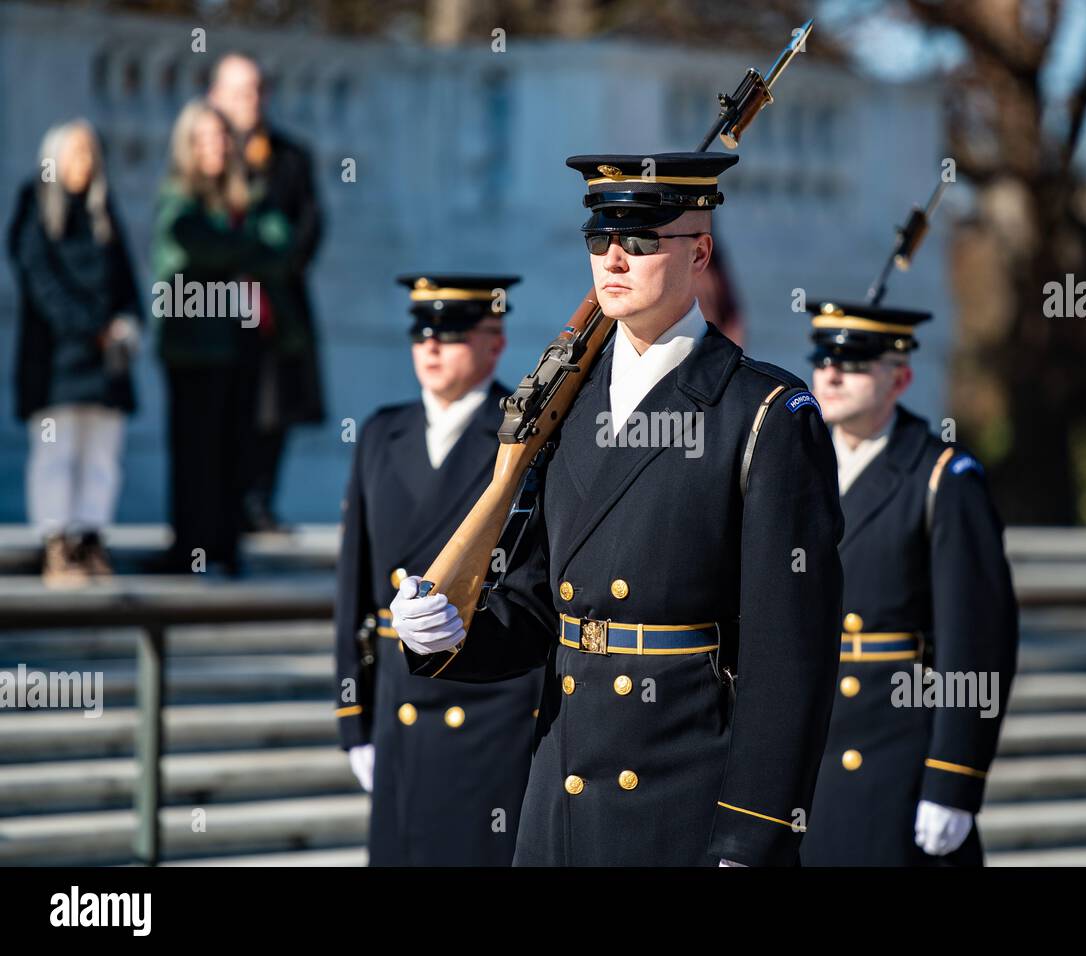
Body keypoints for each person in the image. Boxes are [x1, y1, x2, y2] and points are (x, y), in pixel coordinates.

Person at [389, 152, 843, 867]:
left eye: (639, 242)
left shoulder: (764, 413)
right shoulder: (569, 407)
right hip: (559, 795)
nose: (614, 259)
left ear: (699, 254)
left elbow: (792, 655)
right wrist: (446, 634)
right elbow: (541, 605)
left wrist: (752, 834)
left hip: (685, 804)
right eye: (599, 241)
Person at [796, 300, 1019, 866]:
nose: (833, 374)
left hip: (895, 756)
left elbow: (977, 643)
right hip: (808, 756)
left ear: (901, 378)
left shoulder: (942, 477)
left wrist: (954, 778)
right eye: (823, 359)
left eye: (856, 363)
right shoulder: (798, 471)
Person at [334, 273, 543, 866]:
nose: (430, 346)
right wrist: (353, 715)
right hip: (398, 703)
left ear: (495, 343)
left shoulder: (521, 439)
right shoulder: (380, 432)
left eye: (451, 334)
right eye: (421, 332)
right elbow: (355, 583)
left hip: (485, 709)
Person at [151, 99, 294, 575]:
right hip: (192, 346)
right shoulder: (178, 198)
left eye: (221, 137)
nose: (215, 146)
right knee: (194, 451)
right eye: (204, 138)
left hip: (241, 343)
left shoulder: (249, 195)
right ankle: (189, 548)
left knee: (238, 450)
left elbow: (282, 250)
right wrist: (243, 251)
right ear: (188, 146)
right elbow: (198, 248)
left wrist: (238, 253)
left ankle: (227, 549)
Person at [6, 119, 142, 586]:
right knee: (56, 452)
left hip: (105, 362)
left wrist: (126, 324)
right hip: (55, 361)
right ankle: (57, 542)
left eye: (92, 154)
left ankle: (90, 537)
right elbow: (39, 278)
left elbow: (126, 280)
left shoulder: (103, 211)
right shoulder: (35, 205)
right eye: (77, 153)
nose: (85, 164)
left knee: (101, 454)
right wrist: (89, 328)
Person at [208, 52, 325, 532]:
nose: (250, 100)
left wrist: (275, 269)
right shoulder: (207, 153)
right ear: (216, 97)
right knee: (222, 405)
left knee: (275, 406)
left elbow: (311, 225)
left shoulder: (290, 155)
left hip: (279, 306)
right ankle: (221, 506)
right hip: (219, 306)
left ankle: (258, 503)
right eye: (239, 91)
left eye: (257, 89)